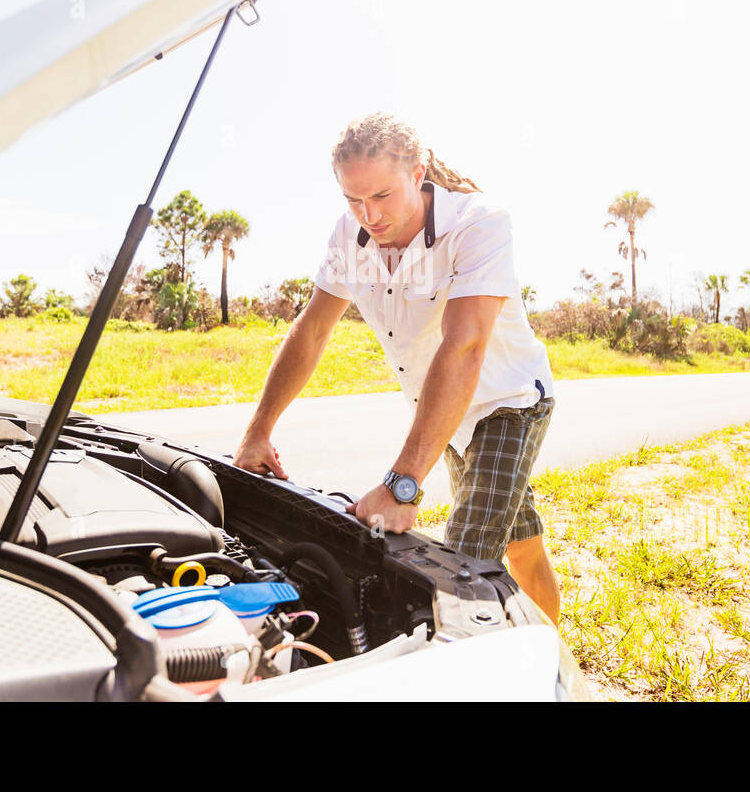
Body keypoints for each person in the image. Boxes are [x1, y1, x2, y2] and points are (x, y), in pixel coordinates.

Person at [232, 112, 561, 624]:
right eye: (353, 199)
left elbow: (466, 345)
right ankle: (550, 650)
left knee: (466, 563)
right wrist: (258, 431)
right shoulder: (350, 238)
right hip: (446, 414)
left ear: (418, 172)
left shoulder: (479, 222)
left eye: (382, 196)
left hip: (507, 401)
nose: (369, 215)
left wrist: (402, 485)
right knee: (520, 545)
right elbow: (313, 330)